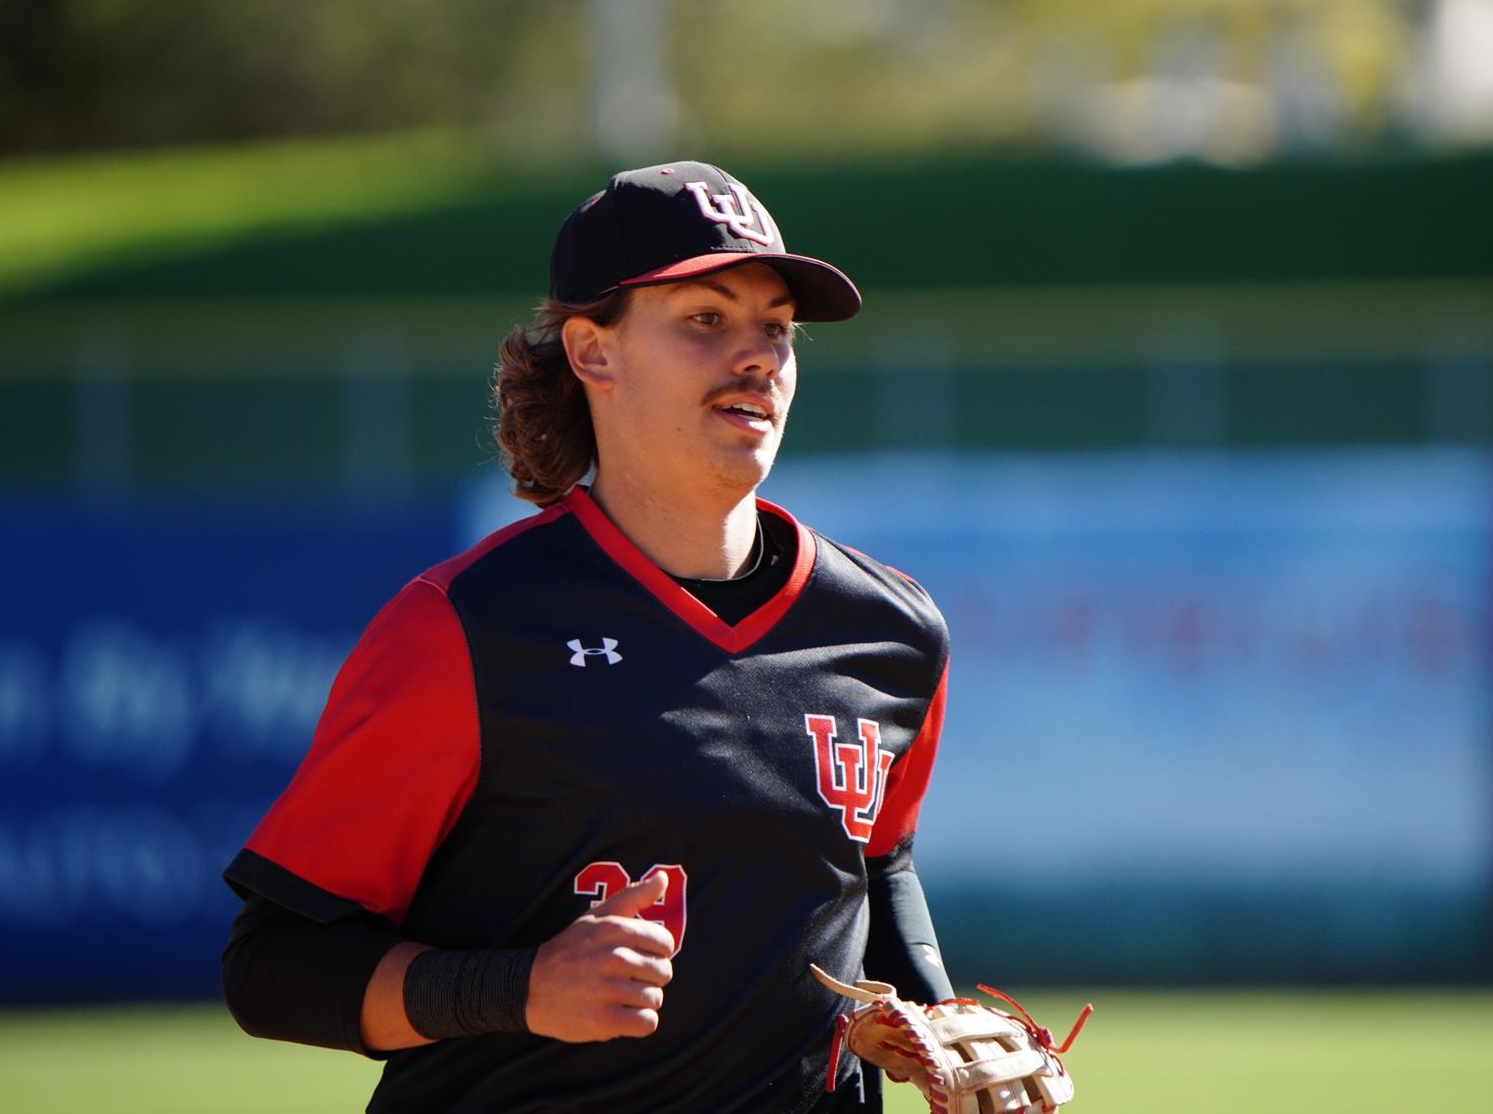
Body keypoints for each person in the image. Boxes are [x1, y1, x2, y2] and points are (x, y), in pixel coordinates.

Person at [220, 161, 956, 1113]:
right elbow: (272, 965)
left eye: (775, 327)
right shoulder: (470, 627)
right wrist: (516, 989)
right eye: (706, 319)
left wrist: (938, 1021)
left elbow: (876, 865)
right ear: (591, 351)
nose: (759, 356)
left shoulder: (886, 629)